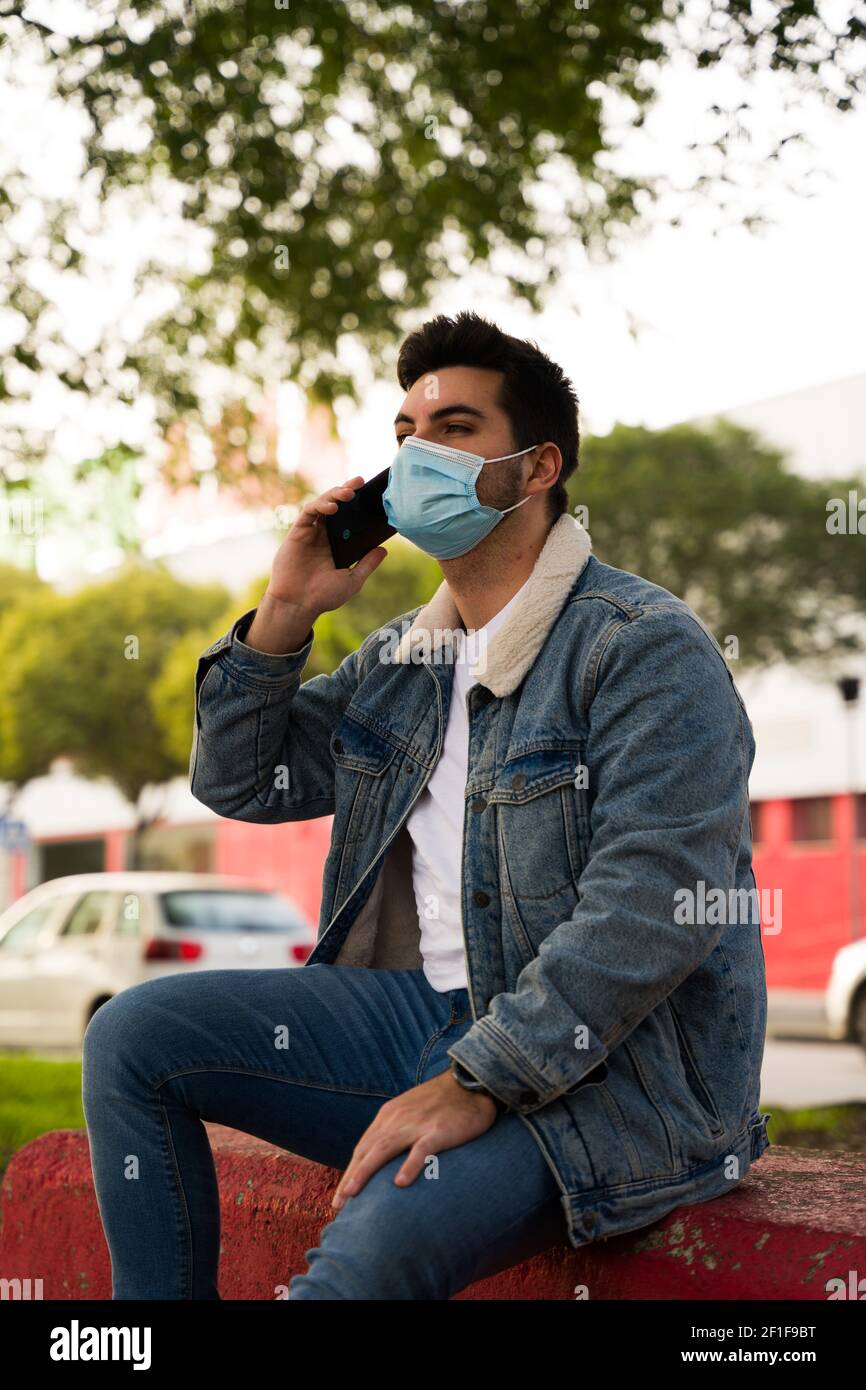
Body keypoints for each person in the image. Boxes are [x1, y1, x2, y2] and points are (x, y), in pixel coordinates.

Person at [82, 311, 770, 1300]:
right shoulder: (407, 657)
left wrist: (475, 1079)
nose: (415, 453)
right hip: (416, 1016)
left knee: (369, 1256)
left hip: (604, 1076)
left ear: (536, 469)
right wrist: (284, 614)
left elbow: (652, 903)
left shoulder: (639, 644)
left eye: (453, 428)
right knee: (131, 1036)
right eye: (404, 433)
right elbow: (240, 779)